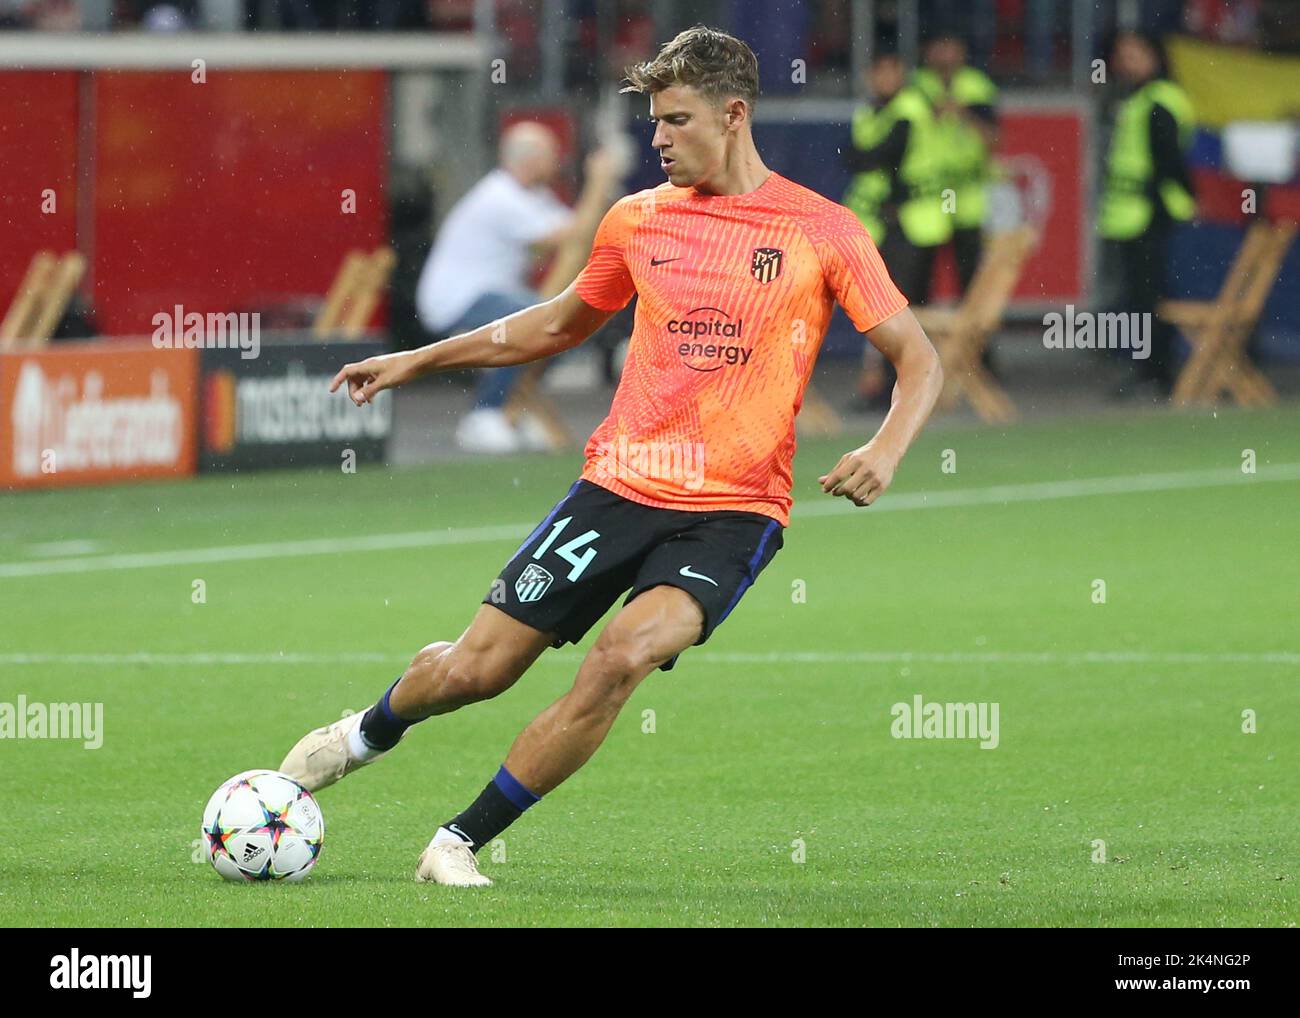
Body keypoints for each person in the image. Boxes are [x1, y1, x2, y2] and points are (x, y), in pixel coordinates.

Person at [279, 25, 943, 887]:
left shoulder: (822, 229)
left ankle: (458, 841)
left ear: (733, 116)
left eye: (674, 120)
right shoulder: (637, 222)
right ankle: (365, 733)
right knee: (479, 672)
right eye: (652, 121)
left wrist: (886, 448)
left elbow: (918, 357)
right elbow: (555, 324)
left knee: (623, 655)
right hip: (615, 491)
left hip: (734, 511)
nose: (656, 138)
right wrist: (420, 358)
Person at [415, 121, 621, 452]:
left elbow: (583, 232)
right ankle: (484, 415)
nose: (558, 161)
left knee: (568, 327)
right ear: (530, 160)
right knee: (532, 320)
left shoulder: (532, 196)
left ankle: (513, 408)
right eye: (552, 154)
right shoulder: (501, 196)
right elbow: (575, 234)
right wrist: (597, 182)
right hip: (456, 301)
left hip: (489, 295)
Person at [842, 51, 949, 410]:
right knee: (894, 309)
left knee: (900, 309)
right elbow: (854, 157)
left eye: (891, 70)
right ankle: (894, 389)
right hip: (889, 225)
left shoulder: (909, 109)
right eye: (878, 71)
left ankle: (899, 389)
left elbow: (879, 156)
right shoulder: (871, 111)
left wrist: (866, 157)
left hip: (914, 222)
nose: (884, 78)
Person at [1098, 31, 1197, 399]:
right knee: (1140, 298)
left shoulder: (1158, 101)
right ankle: (1148, 369)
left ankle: (1156, 372)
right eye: (1122, 55)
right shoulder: (1136, 98)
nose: (1127, 62)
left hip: (1150, 213)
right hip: (1130, 214)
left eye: (1135, 54)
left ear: (1155, 56)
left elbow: (1169, 161)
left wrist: (1183, 196)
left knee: (1148, 299)